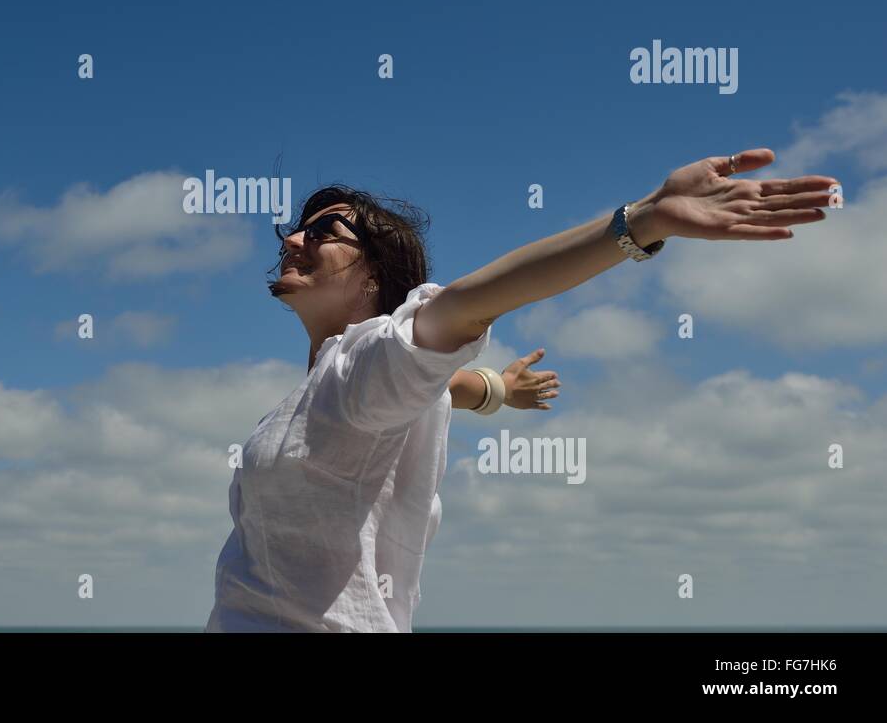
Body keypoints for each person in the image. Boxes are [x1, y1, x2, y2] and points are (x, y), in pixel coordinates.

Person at [204, 148, 838, 632]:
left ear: (375, 275)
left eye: (323, 232)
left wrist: (639, 222)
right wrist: (496, 391)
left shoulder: (364, 366)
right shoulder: (336, 386)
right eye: (298, 228)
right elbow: (439, 387)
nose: (293, 238)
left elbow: (469, 305)